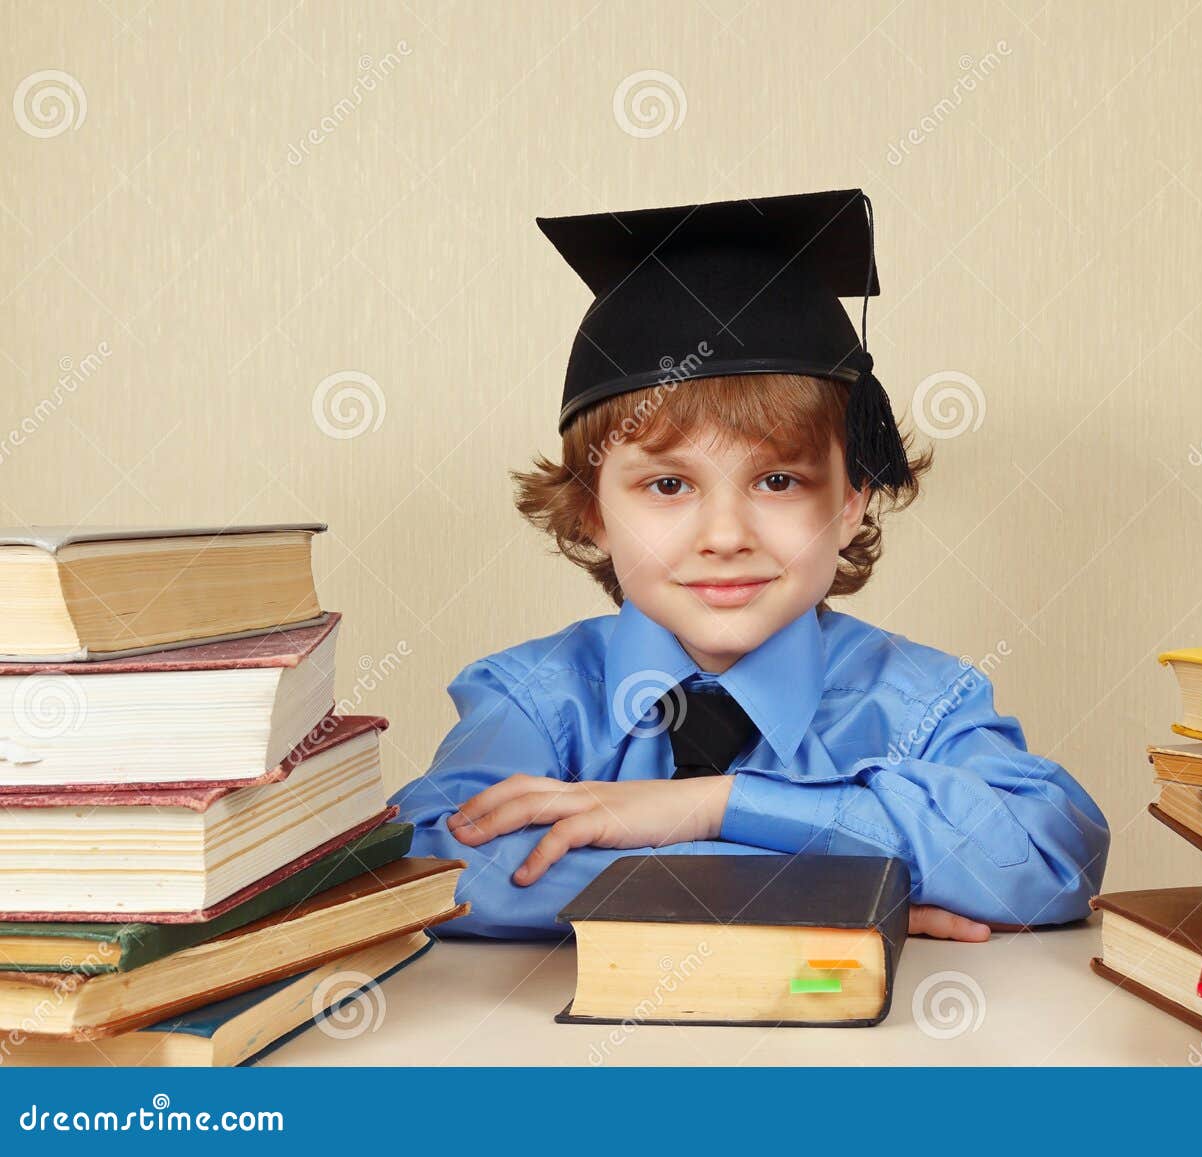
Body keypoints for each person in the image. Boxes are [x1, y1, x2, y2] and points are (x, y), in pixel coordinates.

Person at [389, 188, 1110, 942]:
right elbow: (436, 865)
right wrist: (825, 889)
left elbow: (1047, 853)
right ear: (593, 509)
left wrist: (712, 805)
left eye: (778, 481)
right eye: (668, 485)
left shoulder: (921, 704)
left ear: (851, 500)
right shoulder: (540, 700)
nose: (726, 535)